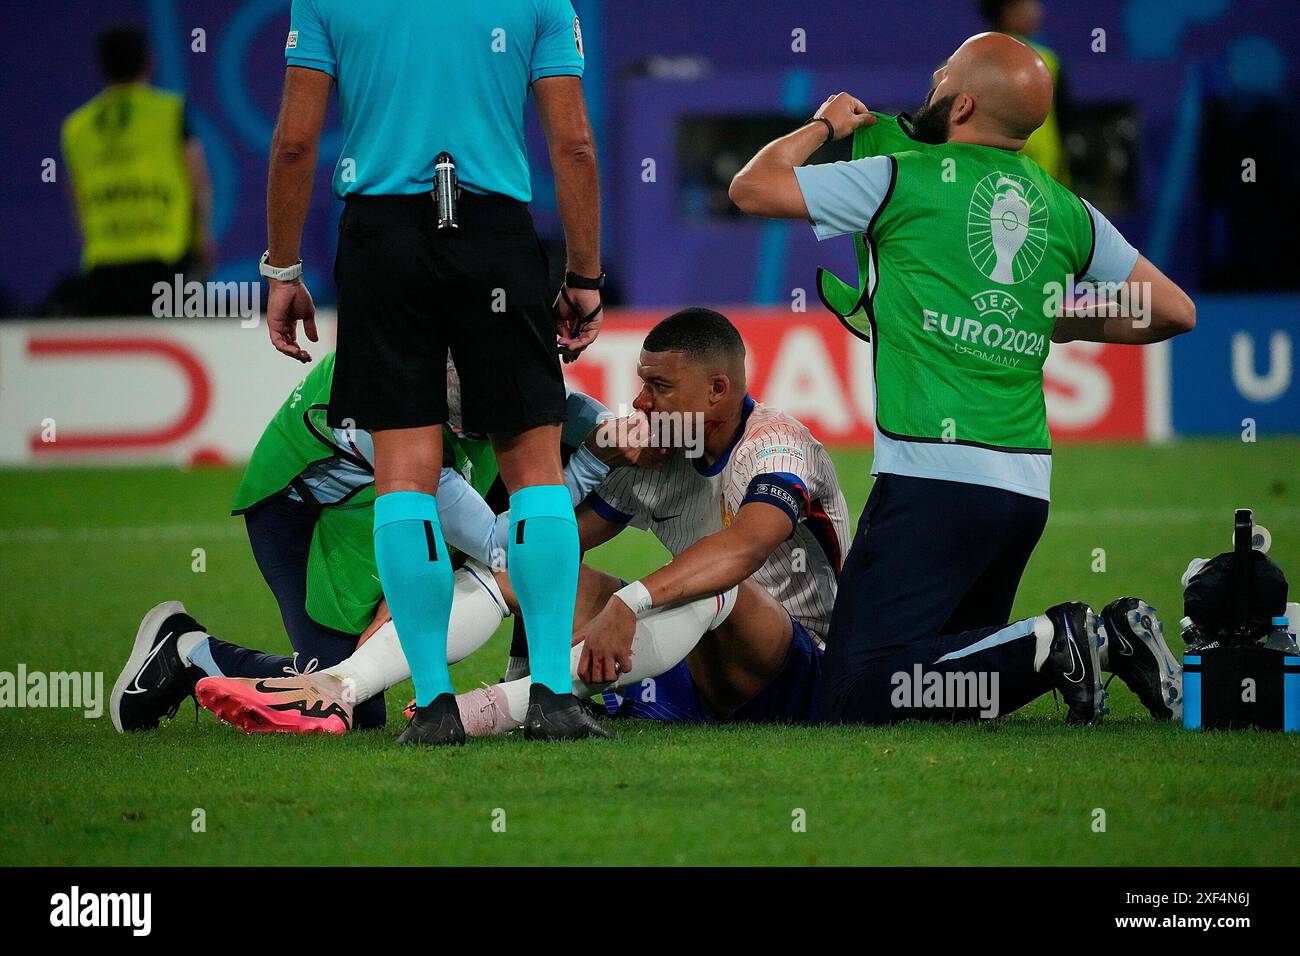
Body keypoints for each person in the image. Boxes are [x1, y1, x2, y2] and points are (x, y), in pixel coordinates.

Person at [729, 32, 1194, 726]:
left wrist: (825, 124)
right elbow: (1172, 309)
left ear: (965, 101)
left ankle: (1058, 636)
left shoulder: (900, 178)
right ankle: (1106, 636)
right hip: (1023, 491)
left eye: (943, 73)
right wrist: (1062, 323)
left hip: (931, 482)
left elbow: (751, 188)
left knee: (855, 692)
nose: (933, 81)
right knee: (951, 679)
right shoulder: (1066, 209)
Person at [194, 309, 853, 735]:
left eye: (658, 387)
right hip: (696, 678)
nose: (639, 400)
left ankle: (491, 712)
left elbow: (741, 550)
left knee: (719, 585)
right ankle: (337, 686)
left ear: (718, 391)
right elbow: (536, 541)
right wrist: (426, 600)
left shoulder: (775, 446)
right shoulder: (655, 459)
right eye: (640, 383)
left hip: (804, 675)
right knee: (533, 564)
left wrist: (627, 602)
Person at [260, 0, 605, 744]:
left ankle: (436, 707)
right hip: (495, 236)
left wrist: (283, 267)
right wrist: (584, 275)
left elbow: (294, 144)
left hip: (383, 241)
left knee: (405, 473)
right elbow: (573, 145)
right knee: (536, 470)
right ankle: (550, 693)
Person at [108, 354, 637, 735]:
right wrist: (594, 459)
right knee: (349, 706)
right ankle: (187, 651)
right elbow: (501, 543)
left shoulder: (463, 360)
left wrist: (611, 428)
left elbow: (560, 408)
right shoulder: (398, 423)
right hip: (302, 513)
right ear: (455, 417)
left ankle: (525, 674)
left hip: (379, 492)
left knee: (534, 479)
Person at [57, 23, 214, 315]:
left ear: (101, 68)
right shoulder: (170, 111)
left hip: (104, 263)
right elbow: (197, 180)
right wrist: (203, 236)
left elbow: (75, 196)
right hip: (166, 257)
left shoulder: (76, 126)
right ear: (149, 61)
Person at [978, 0, 1072, 183]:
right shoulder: (1046, 61)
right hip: (1043, 183)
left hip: (985, 182)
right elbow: (1066, 125)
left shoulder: (958, 63)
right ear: (1008, 11)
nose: (1037, 10)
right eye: (1028, 4)